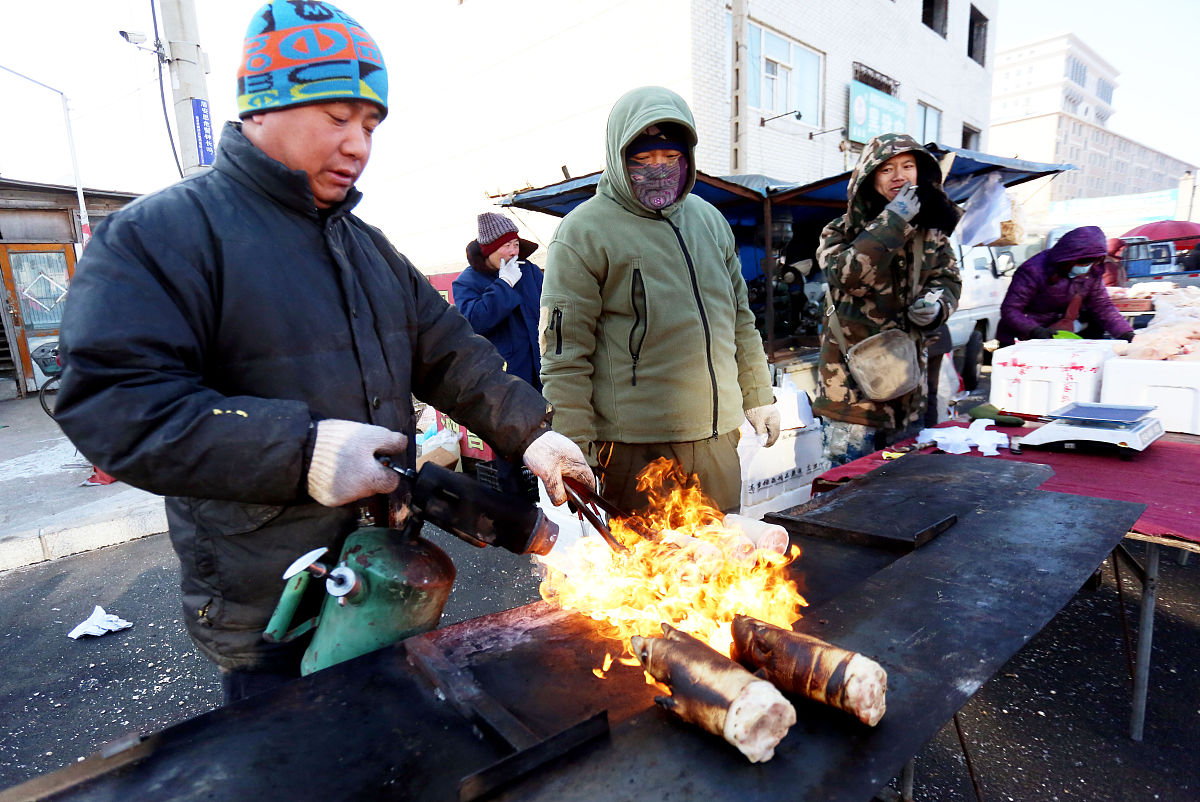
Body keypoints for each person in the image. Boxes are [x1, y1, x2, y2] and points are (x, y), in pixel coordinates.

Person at [54, 1, 593, 704]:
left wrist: (535, 434)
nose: (359, 145)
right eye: (337, 117)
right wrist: (299, 451)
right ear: (261, 106)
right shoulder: (163, 237)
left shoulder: (365, 248)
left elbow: (451, 352)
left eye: (370, 124)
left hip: (390, 580)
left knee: (404, 757)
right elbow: (112, 403)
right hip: (272, 606)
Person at [539, 86, 779, 515]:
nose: (658, 170)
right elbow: (565, 354)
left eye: (669, 158)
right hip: (636, 450)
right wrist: (576, 448)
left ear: (686, 157)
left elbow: (741, 319)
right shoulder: (582, 233)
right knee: (648, 576)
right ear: (618, 158)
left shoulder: (710, 221)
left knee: (722, 568)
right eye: (643, 160)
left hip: (718, 440)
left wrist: (758, 392)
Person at [814, 133, 963, 465]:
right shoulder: (840, 230)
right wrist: (893, 221)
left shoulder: (932, 232)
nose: (899, 176)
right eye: (887, 169)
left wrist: (937, 306)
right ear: (869, 177)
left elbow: (948, 278)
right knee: (846, 499)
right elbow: (845, 277)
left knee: (900, 497)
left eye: (908, 166)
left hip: (907, 395)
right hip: (852, 402)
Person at [997, 225, 1134, 346]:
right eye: (1083, 263)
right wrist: (1033, 330)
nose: (1087, 268)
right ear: (1068, 259)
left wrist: (1126, 334)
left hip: (1056, 336)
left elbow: (1103, 307)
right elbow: (1010, 309)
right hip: (1020, 338)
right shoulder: (1034, 270)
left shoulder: (1092, 274)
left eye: (1092, 263)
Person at [453, 213, 543, 390]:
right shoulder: (466, 282)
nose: (514, 251)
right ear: (489, 250)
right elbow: (474, 323)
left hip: (542, 370)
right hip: (503, 379)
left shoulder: (529, 272)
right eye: (506, 245)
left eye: (516, 244)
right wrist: (505, 284)